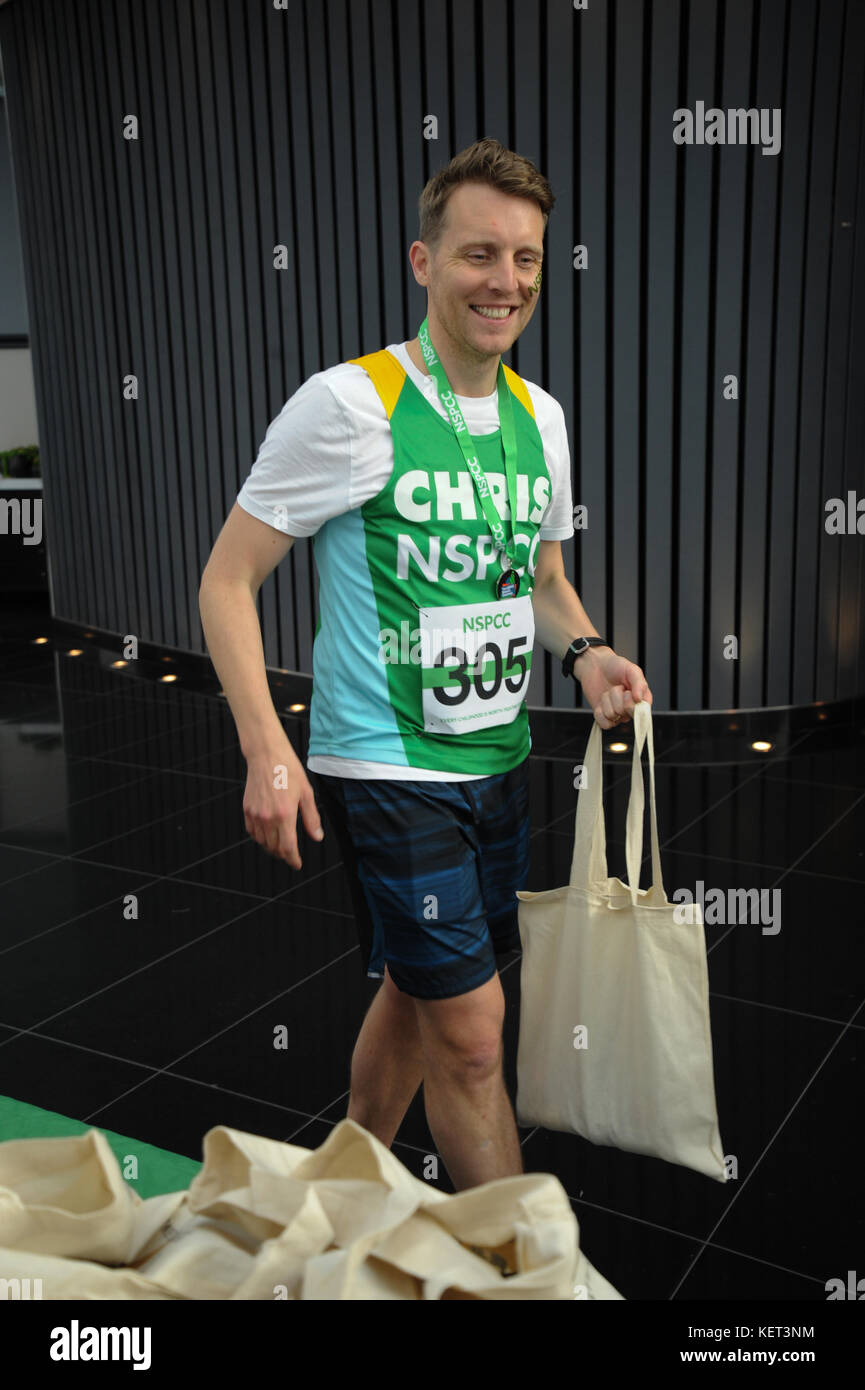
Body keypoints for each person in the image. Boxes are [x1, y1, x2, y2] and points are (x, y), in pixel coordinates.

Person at [199, 137, 652, 1193]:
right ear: (422, 261)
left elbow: (536, 575)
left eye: (527, 259)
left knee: (420, 991)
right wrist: (269, 752)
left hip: (494, 756)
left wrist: (584, 652)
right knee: (476, 1036)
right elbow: (226, 582)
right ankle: (514, 1255)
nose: (505, 282)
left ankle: (342, 1181)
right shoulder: (348, 404)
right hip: (386, 768)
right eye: (478, 254)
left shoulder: (540, 419)